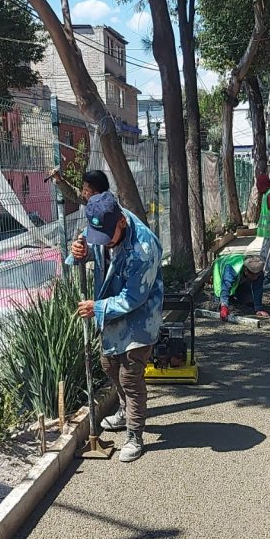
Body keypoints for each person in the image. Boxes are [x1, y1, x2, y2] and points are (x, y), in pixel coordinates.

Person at [68, 190, 163, 464]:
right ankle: (124, 411)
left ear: (121, 222)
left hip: (139, 317)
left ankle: (135, 435)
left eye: (107, 238)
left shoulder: (143, 247)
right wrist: (78, 254)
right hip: (111, 313)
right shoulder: (102, 223)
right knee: (108, 365)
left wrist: (97, 308)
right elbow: (84, 250)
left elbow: (134, 297)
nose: (104, 243)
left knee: (130, 377)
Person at [213, 253, 269, 321]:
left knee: (248, 301)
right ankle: (220, 301)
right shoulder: (231, 269)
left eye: (258, 275)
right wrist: (224, 306)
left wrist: (258, 309)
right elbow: (226, 287)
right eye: (253, 275)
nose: (256, 278)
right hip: (220, 266)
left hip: (241, 276)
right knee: (220, 296)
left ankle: (237, 295)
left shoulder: (258, 270)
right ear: (246, 271)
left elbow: (258, 289)